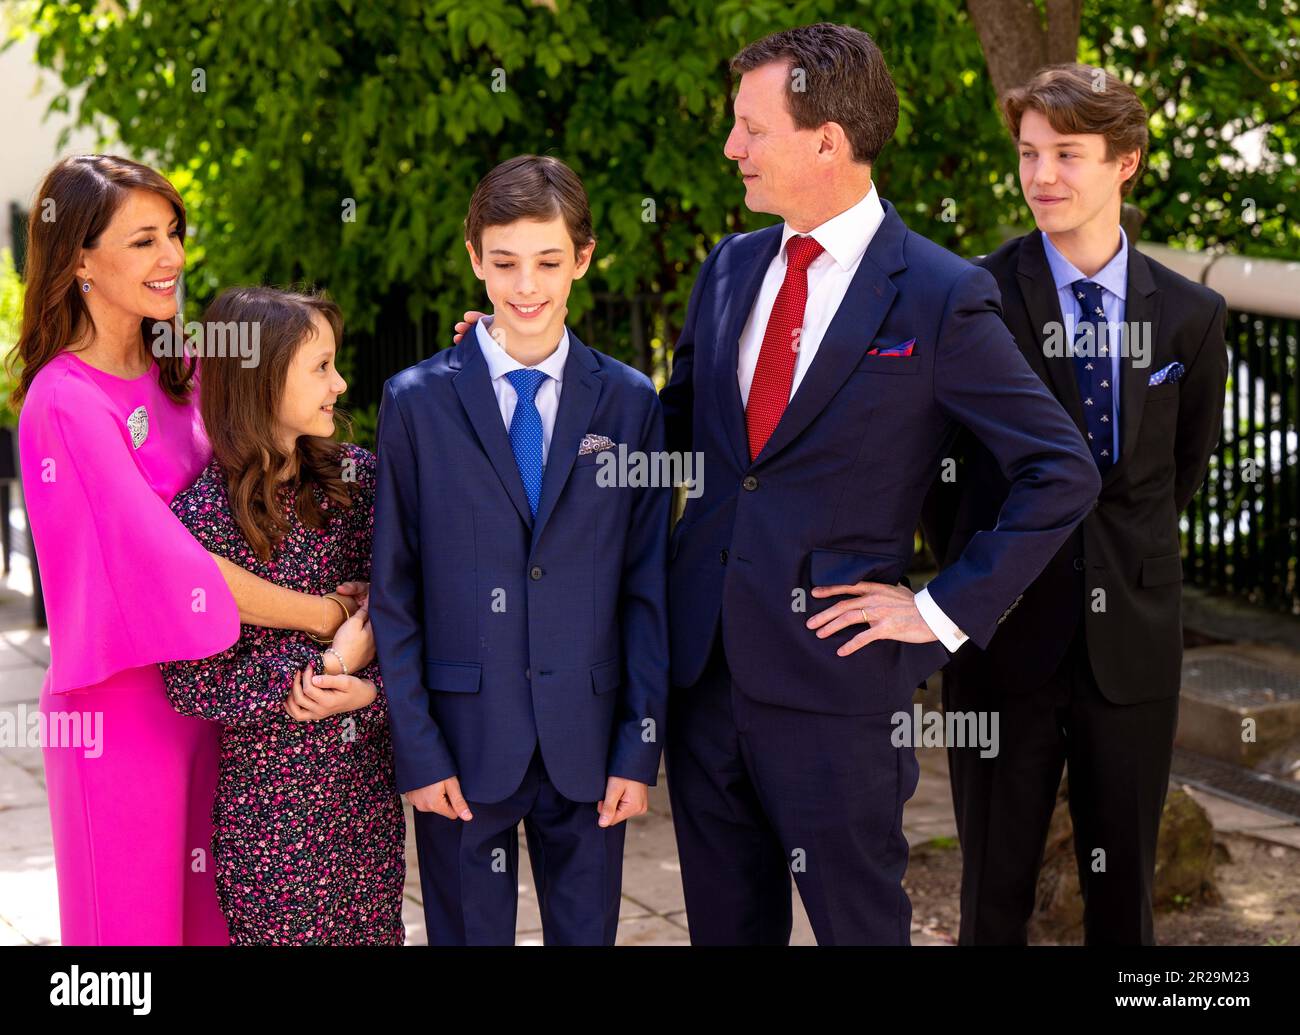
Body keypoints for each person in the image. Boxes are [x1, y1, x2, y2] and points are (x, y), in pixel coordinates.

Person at [656, 23, 1101, 945]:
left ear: (826, 140)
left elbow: (1061, 469)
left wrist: (939, 611)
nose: (732, 147)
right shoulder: (732, 267)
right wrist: (518, 357)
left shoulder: (938, 294)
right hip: (703, 679)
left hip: (839, 691)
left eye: (750, 126)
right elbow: (665, 432)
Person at [10, 155, 363, 945]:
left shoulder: (188, 369)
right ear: (79, 262)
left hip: (210, 702)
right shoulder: (64, 401)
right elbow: (179, 567)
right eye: (142, 241)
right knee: (126, 953)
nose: (171, 256)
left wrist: (482, 349)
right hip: (118, 718)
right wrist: (329, 614)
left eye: (173, 232)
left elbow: (290, 427)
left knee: (209, 930)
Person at [923, 64, 1228, 945]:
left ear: (1125, 161)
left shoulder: (1191, 316)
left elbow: (1176, 472)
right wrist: (990, 578)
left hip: (1131, 648)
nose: (1042, 175)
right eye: (1028, 153)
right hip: (1002, 638)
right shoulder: (968, 298)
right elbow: (943, 478)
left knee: (1125, 900)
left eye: (1067, 153)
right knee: (993, 897)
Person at [370, 154, 670, 945]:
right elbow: (396, 592)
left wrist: (639, 750)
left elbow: (646, 590)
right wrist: (418, 748)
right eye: (504, 263)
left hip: (591, 744)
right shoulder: (416, 403)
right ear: (475, 258)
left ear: (583, 258)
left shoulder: (632, 403)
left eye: (547, 261)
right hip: (462, 749)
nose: (526, 285)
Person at [159, 287, 405, 945]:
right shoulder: (202, 519)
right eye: (320, 367)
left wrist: (367, 691)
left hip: (367, 819)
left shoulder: (360, 484)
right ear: (263, 378)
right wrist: (323, 666)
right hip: (268, 832)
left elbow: (407, 626)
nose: (341, 382)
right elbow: (192, 683)